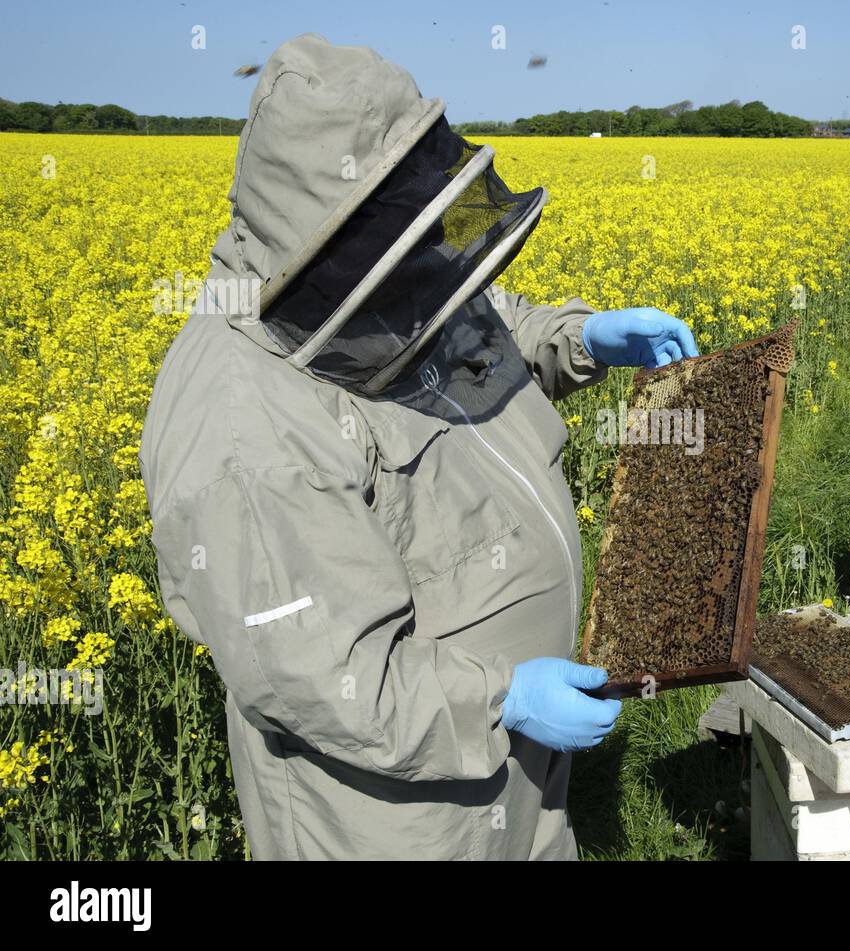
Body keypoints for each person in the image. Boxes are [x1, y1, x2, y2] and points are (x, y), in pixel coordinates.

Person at [139, 33, 697, 860]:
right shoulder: (239, 433)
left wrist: (582, 340)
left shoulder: (378, 274)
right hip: (404, 820)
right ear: (326, 247)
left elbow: (467, 313)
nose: (416, 264)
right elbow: (328, 675)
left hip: (520, 791)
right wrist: (502, 699)